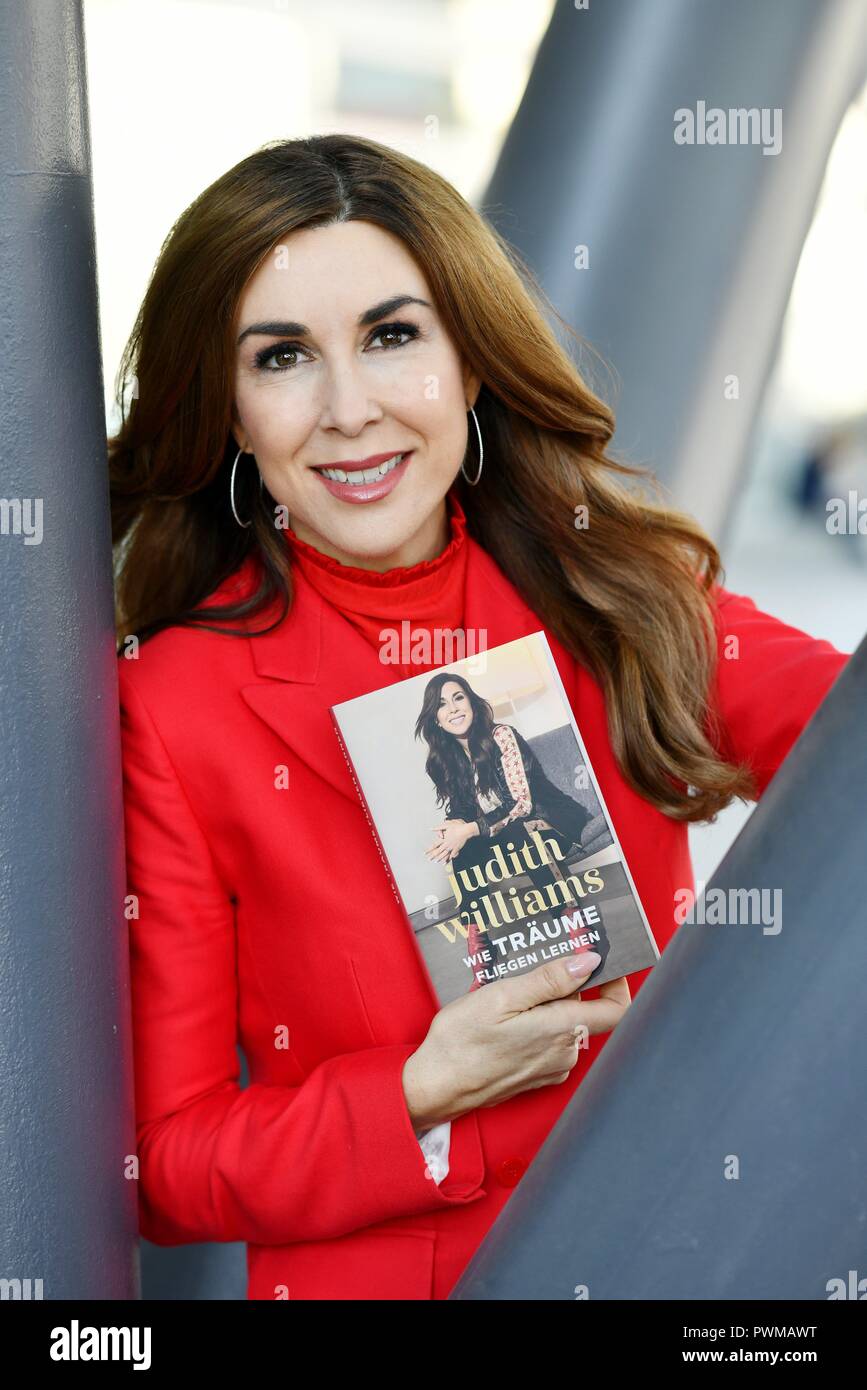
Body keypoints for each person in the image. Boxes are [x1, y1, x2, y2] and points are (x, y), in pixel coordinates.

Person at [110, 133, 849, 1301]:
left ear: (469, 362)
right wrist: (418, 1095)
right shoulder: (171, 701)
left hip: (679, 1266)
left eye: (392, 337)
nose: (350, 410)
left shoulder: (625, 594)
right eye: (285, 356)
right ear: (232, 412)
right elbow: (168, 1161)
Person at [415, 671, 612, 987]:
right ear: (436, 719)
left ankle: (579, 930)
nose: (453, 708)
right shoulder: (445, 761)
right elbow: (463, 810)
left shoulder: (501, 735)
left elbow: (521, 804)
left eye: (458, 698)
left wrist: (467, 830)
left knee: (519, 833)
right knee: (464, 850)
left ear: (472, 703)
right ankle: (482, 952)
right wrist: (452, 829)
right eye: (442, 704)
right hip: (503, 832)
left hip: (552, 820)